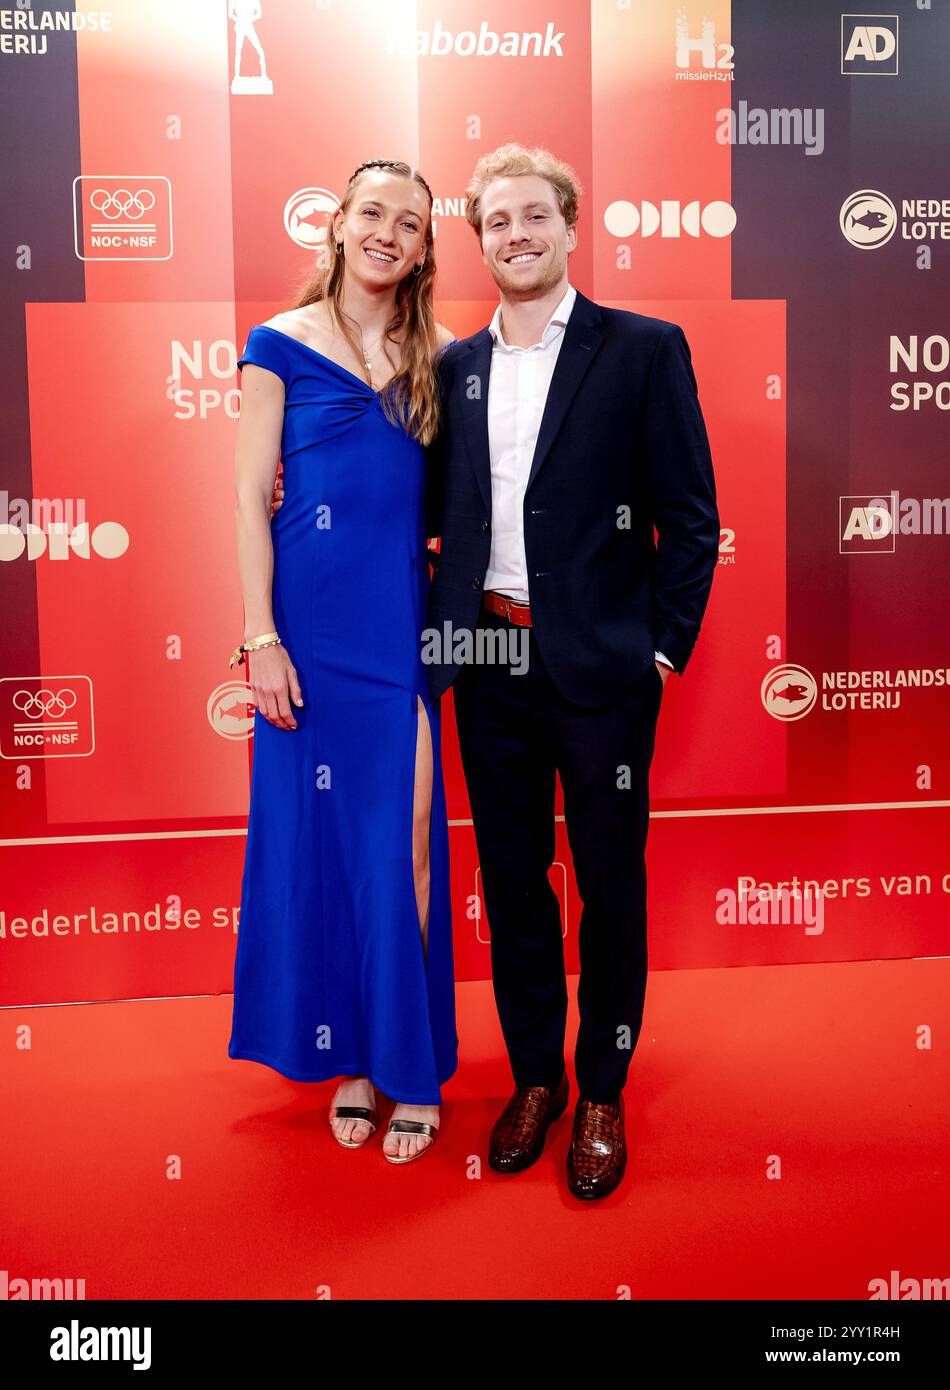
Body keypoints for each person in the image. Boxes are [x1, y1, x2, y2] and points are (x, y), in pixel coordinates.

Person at [425, 144, 719, 1199]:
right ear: (480, 240)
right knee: (509, 889)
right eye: (495, 221)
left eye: (532, 216)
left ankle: (602, 1086)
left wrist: (657, 647)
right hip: (487, 652)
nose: (515, 234)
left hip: (601, 665)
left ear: (567, 223)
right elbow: (428, 517)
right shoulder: (453, 367)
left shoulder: (640, 349)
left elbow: (690, 520)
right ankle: (535, 1079)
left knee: (609, 888)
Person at [229, 158, 457, 1165]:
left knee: (404, 845)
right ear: (336, 224)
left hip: (399, 635)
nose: (387, 234)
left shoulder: (441, 354)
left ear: (420, 250)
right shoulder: (277, 343)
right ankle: (353, 1062)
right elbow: (246, 498)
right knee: (323, 851)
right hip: (309, 635)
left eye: (407, 224)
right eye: (373, 213)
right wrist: (260, 639)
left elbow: (466, 501)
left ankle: (409, 1067)